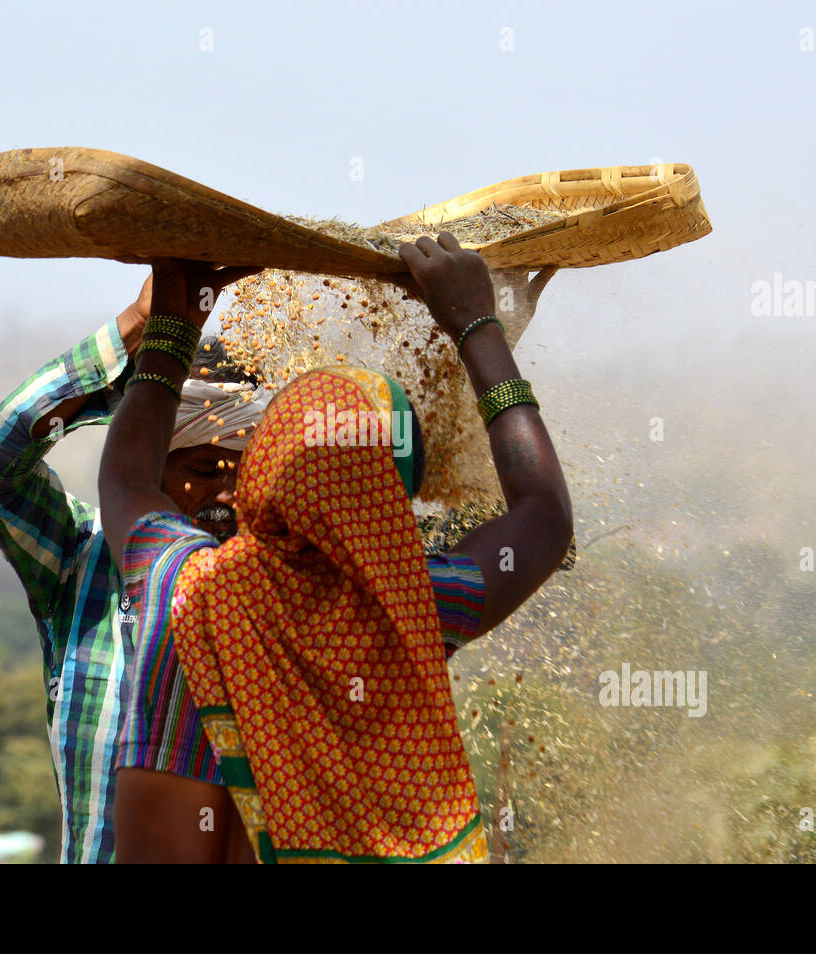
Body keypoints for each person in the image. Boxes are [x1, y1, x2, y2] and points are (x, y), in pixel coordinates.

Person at [100, 236, 573, 862]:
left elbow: (128, 478)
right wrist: (478, 330)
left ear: (262, 470)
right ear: (391, 493)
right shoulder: (412, 603)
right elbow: (544, 514)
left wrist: (171, 334)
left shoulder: (186, 589)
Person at [0, 266, 264, 863]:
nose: (227, 497)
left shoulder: (284, 581)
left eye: (244, 473)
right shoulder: (80, 557)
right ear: (151, 465)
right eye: (203, 472)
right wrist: (136, 330)